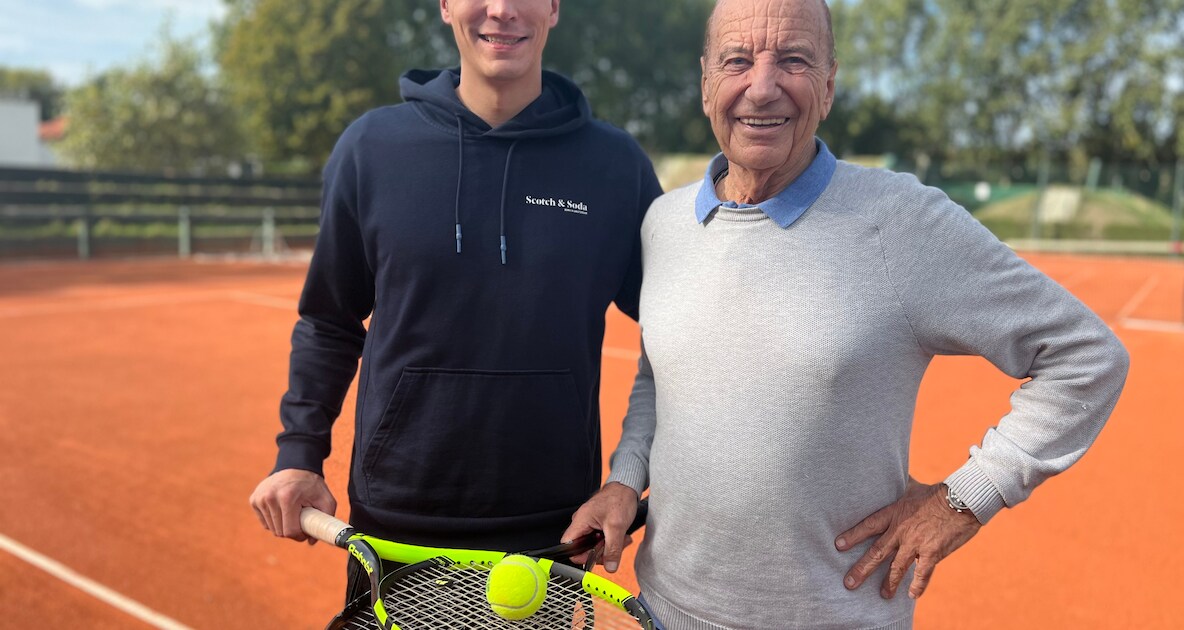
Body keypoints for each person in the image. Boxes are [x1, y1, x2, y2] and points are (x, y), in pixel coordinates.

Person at [562, 0, 1130, 627]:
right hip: (662, 611)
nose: (762, 86)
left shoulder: (904, 221)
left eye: (793, 60)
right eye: (737, 61)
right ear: (705, 83)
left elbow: (1086, 356)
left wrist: (965, 500)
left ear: (829, 85)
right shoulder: (663, 223)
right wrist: (625, 479)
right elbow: (657, 375)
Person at [249, 0, 662, 605]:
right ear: (445, 6)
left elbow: (682, 331)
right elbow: (330, 320)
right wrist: (299, 452)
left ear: (553, 7)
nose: (501, 10)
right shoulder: (372, 148)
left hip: (554, 532)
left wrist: (629, 479)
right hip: (394, 524)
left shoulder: (615, 166)